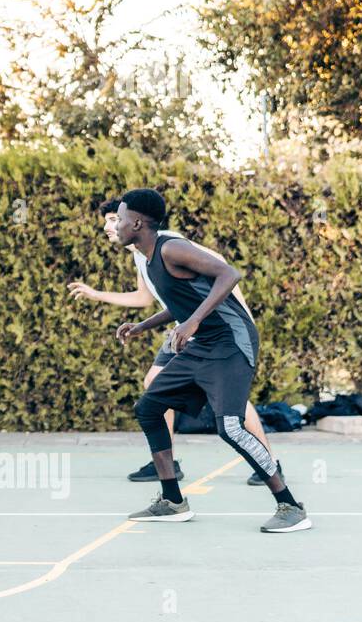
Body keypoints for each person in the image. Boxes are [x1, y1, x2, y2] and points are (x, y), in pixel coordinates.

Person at [112, 189, 309, 533]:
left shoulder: (171, 247)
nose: (116, 224)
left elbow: (229, 274)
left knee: (230, 427)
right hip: (203, 345)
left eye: (120, 218)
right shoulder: (147, 260)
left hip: (231, 342)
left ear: (138, 222)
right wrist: (143, 325)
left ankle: (291, 506)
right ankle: (173, 501)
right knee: (149, 408)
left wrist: (194, 321)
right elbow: (182, 301)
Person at [69, 200, 281, 485]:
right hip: (186, 327)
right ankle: (166, 463)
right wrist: (103, 299)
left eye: (113, 219)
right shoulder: (141, 256)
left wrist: (218, 318)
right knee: (153, 387)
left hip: (215, 329)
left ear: (135, 222)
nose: (109, 226)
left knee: (232, 407)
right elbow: (147, 299)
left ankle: (269, 463)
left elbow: (222, 269)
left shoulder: (170, 244)